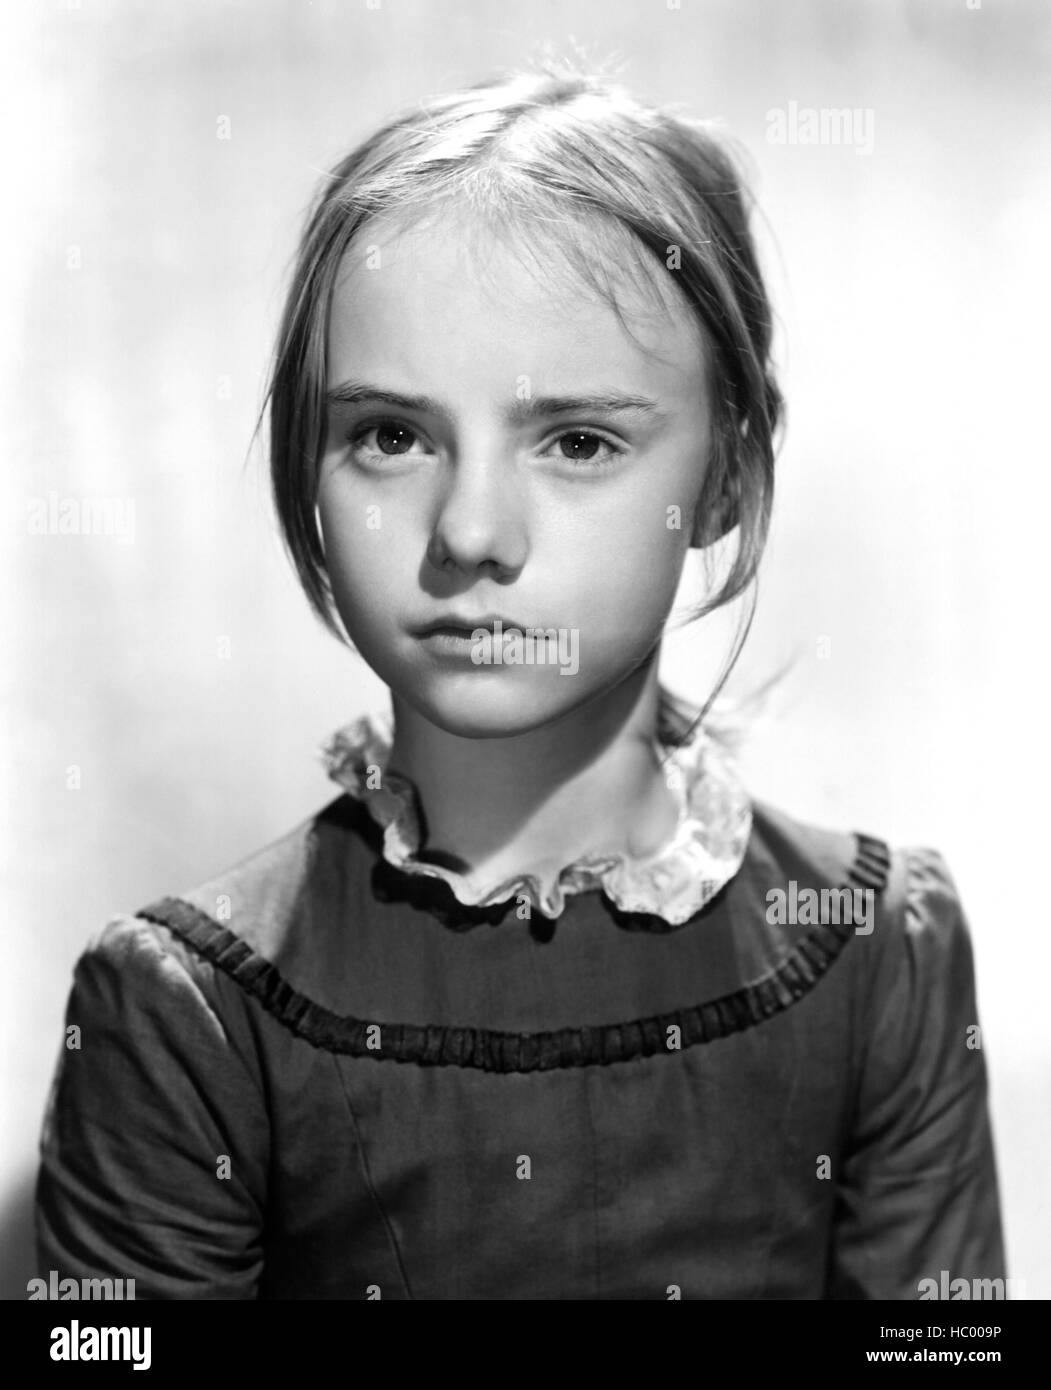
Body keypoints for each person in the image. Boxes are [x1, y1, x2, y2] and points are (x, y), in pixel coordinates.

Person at [35, 64, 1004, 1300]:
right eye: (390, 435)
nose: (473, 530)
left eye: (578, 442)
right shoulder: (187, 1013)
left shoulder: (879, 956)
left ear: (726, 481)